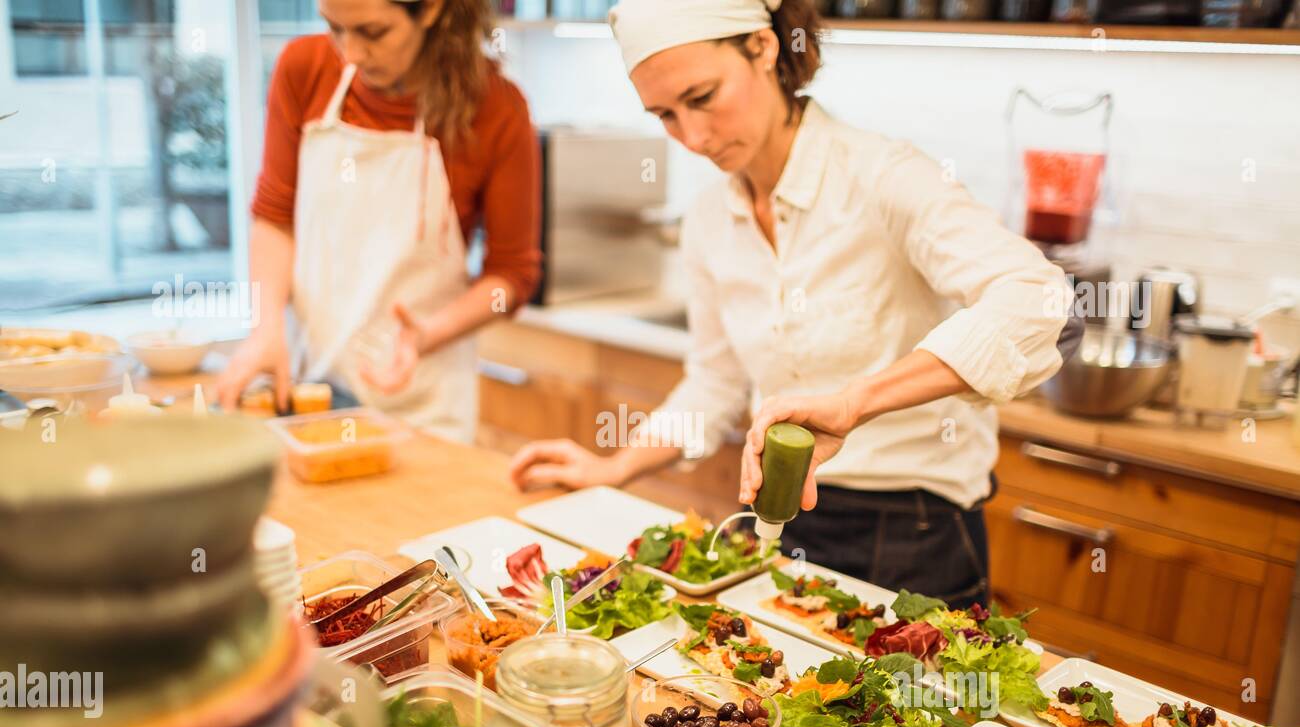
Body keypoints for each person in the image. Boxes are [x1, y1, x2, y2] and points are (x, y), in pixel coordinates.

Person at [509, 0, 1079, 608]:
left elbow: (1037, 298)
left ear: (762, 47)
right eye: (665, 116)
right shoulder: (709, 220)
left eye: (702, 97)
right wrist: (611, 469)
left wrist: (854, 402)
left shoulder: (885, 177)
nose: (693, 137)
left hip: (915, 533)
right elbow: (717, 383)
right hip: (779, 520)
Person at [215, 0, 540, 442]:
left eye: (373, 32)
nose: (350, 53)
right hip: (310, 394)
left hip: (421, 410)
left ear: (430, 11)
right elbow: (275, 216)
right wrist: (266, 327)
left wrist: (426, 334)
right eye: (334, 28)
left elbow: (512, 275)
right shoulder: (304, 69)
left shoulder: (495, 108)